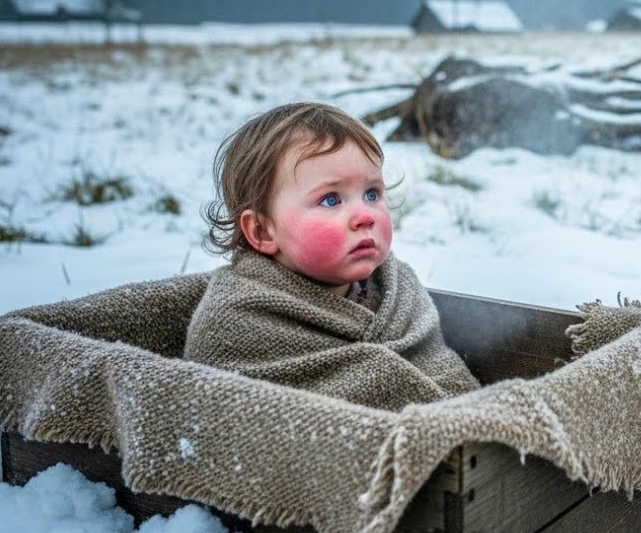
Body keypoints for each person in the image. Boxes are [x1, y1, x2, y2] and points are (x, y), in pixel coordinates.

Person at [184, 101, 479, 409]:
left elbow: (445, 379)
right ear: (262, 231)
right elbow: (224, 420)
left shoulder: (399, 294)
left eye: (371, 194)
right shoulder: (236, 322)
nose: (364, 215)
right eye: (330, 199)